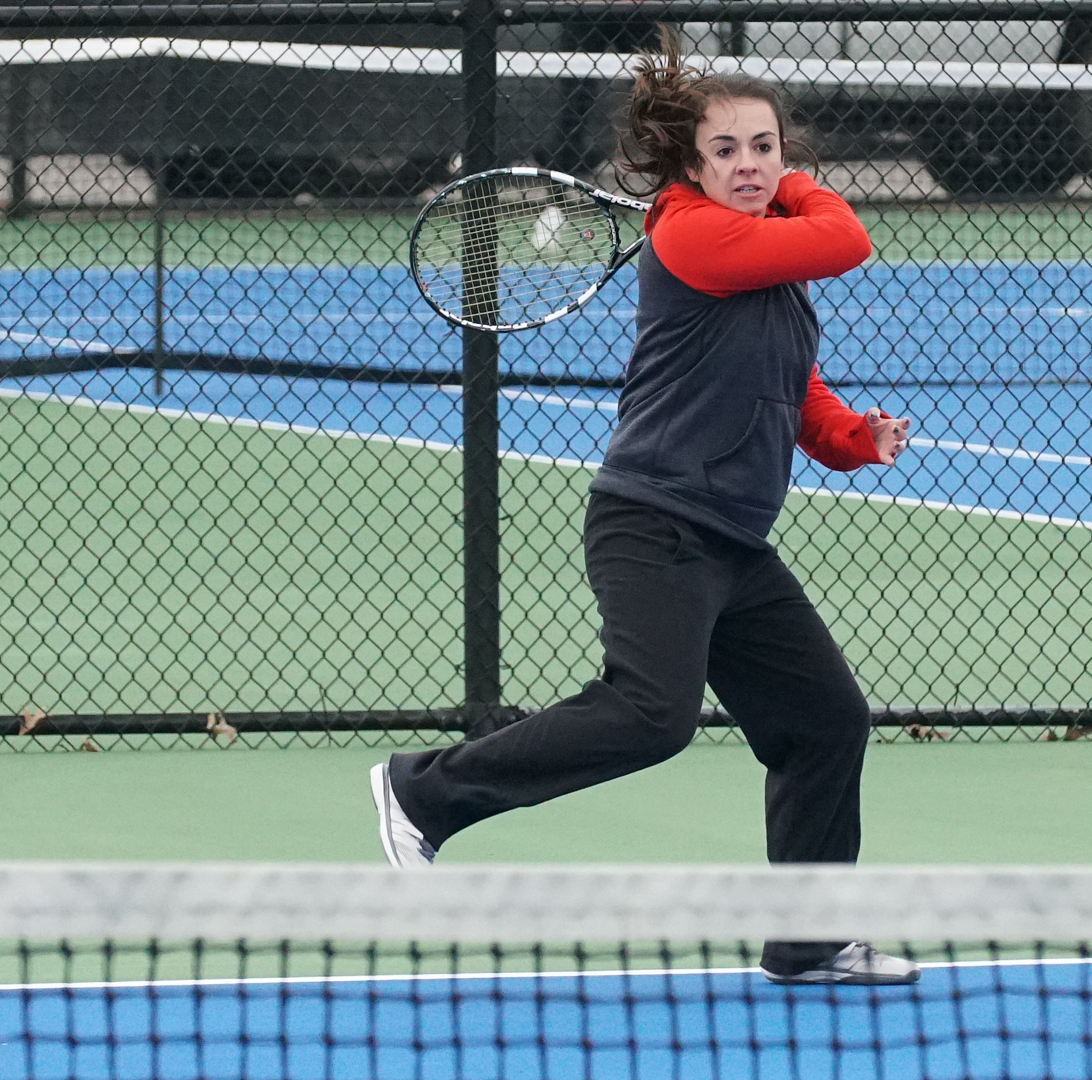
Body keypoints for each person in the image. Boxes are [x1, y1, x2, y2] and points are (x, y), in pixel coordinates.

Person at [370, 35, 918, 986]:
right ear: (692, 163)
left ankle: (809, 938)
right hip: (655, 521)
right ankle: (423, 792)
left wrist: (849, 439)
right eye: (728, 151)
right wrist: (800, 188)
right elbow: (846, 236)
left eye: (764, 146)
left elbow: (793, 386)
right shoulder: (694, 234)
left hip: (732, 541)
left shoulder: (754, 255)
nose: (749, 165)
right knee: (652, 713)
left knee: (824, 720)